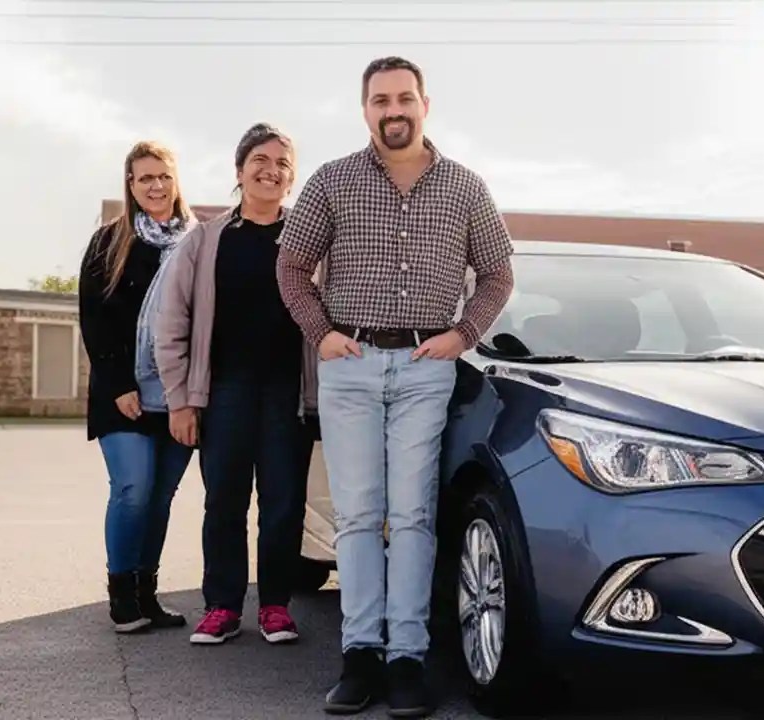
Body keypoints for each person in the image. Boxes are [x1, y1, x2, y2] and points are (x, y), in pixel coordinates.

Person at [276, 56, 514, 717]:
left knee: (411, 516)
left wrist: (463, 334)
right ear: (365, 109)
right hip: (350, 365)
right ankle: (360, 656)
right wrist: (321, 332)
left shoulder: (465, 187)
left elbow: (498, 274)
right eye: (381, 100)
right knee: (357, 516)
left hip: (424, 369)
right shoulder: (332, 180)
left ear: (425, 104)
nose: (393, 110)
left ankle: (406, 658)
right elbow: (292, 266)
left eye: (404, 98)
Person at [153, 123, 317, 646]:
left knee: (284, 503)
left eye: (283, 164)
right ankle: (222, 606)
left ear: (292, 178)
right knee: (223, 501)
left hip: (289, 394)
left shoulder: (310, 242)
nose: (272, 171)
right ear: (240, 169)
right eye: (260, 161)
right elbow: (170, 324)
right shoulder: (204, 240)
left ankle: (274, 606)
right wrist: (180, 401)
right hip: (223, 392)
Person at [78, 140, 197, 633]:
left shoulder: (195, 242)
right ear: (130, 185)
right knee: (133, 488)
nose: (155, 186)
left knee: (161, 495)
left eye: (163, 176)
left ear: (175, 180)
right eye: (144, 177)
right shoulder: (109, 241)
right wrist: (119, 384)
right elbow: (94, 319)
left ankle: (148, 592)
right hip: (121, 392)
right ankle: (121, 592)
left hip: (176, 394)